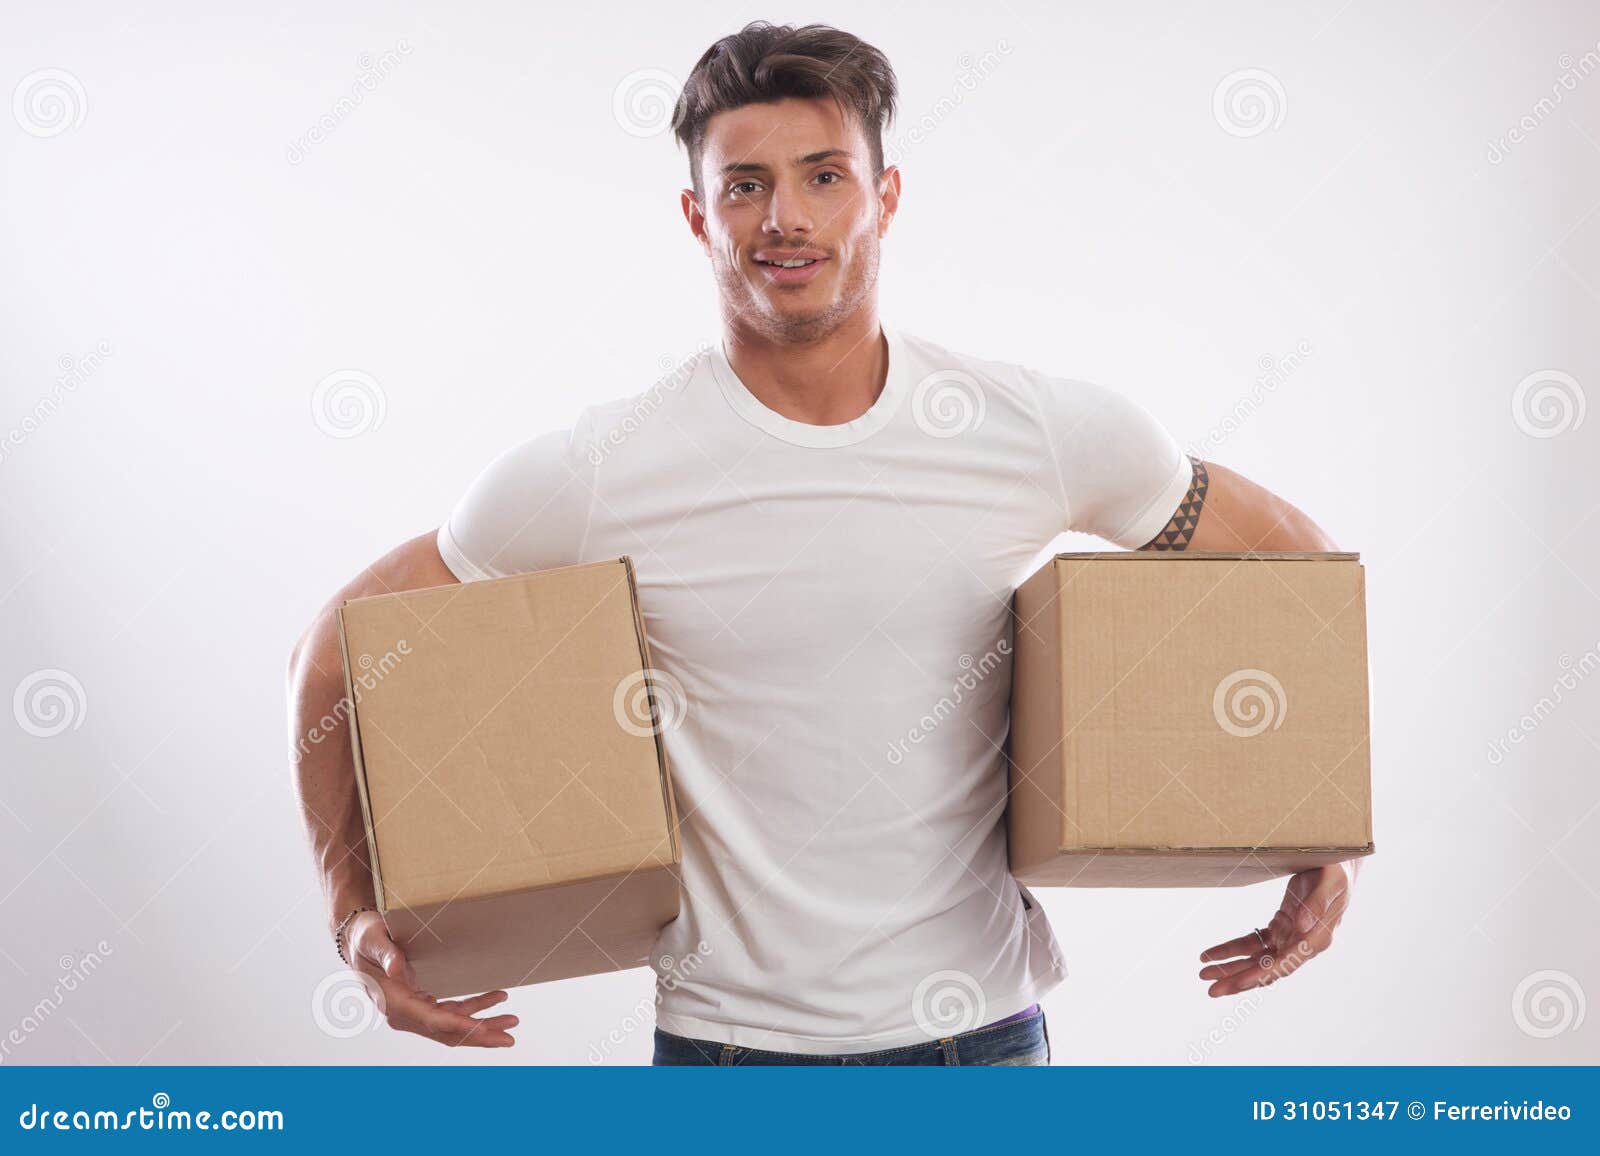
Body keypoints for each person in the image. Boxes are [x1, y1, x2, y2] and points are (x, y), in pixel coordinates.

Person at [286, 21, 1359, 1066]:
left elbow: (1298, 576)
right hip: (726, 1055)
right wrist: (351, 915)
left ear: (884, 197)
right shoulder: (603, 465)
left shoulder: (1031, 430)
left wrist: (1316, 830)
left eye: (823, 176)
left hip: (979, 1043)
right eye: (744, 185)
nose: (784, 217)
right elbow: (334, 656)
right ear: (696, 216)